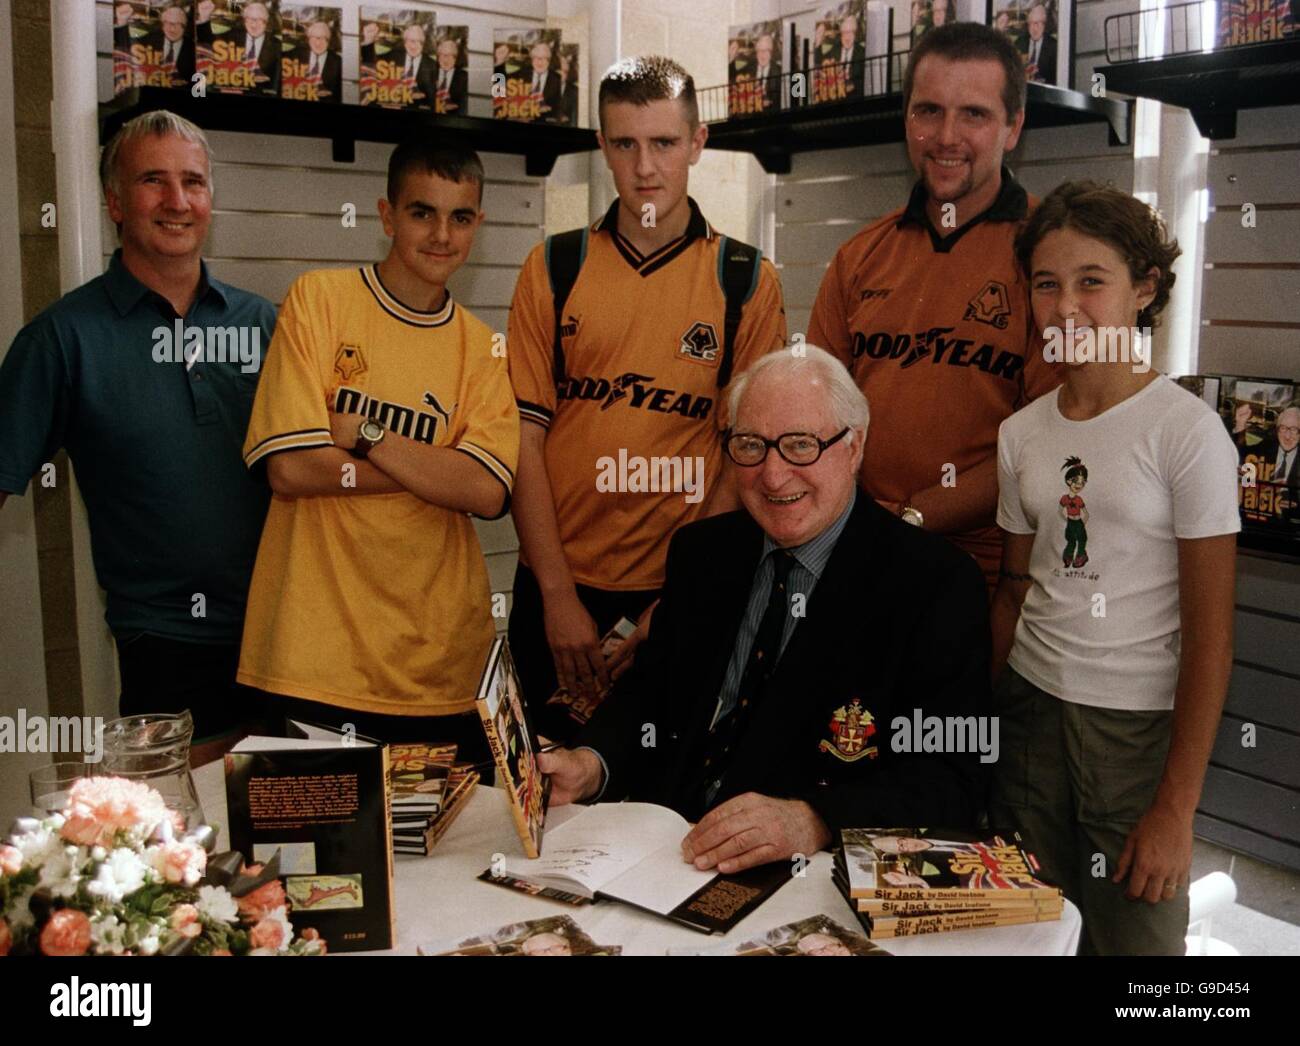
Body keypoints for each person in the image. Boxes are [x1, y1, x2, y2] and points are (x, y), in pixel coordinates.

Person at [539, 347, 989, 873]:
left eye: (801, 445)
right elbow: (651, 699)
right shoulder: (701, 552)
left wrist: (815, 819)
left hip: (803, 875)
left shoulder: (936, 583)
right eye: (751, 446)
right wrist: (589, 765)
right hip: (659, 850)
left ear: (855, 444)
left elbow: (955, 776)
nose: (773, 476)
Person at [990, 181, 1241, 955]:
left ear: (1144, 288)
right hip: (1030, 715)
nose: (1067, 307)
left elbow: (1209, 641)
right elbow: (1013, 588)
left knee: (1133, 945)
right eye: (1046, 283)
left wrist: (1176, 810)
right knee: (1024, 930)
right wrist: (982, 723)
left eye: (1091, 281)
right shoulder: (1021, 434)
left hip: (1134, 739)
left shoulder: (1187, 435)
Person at [506, 55, 787, 742]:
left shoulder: (746, 279)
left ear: (698, 142)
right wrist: (556, 595)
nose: (644, 167)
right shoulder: (554, 267)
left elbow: (743, 460)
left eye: (663, 142)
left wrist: (682, 595)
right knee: (548, 798)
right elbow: (524, 442)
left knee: (670, 801)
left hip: (679, 588)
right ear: (602, 145)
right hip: (559, 587)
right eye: (624, 144)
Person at [0, 111, 277, 760]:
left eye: (194, 182)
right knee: (187, 848)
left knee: (298, 845)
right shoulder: (62, 339)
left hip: (288, 635)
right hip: (166, 648)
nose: (178, 201)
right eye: (154, 180)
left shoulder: (267, 324)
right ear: (114, 202)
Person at [236, 139, 518, 765]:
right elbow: (290, 468)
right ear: (387, 215)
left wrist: (367, 436)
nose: (442, 234)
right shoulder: (318, 301)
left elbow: (488, 491)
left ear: (478, 225)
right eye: (423, 213)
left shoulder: (484, 347)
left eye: (461, 217)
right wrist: (435, 468)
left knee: (450, 861)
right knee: (314, 862)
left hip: (441, 669)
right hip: (314, 662)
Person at [806, 23, 1060, 591]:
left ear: (1013, 126)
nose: (947, 136)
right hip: (856, 555)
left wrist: (914, 518)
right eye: (928, 111)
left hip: (989, 577)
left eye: (974, 114)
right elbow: (814, 416)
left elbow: (1050, 440)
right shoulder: (858, 257)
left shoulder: (1051, 257)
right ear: (907, 121)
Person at [196, 0, 281, 94]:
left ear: (267, 21)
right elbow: (208, 45)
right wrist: (204, 19)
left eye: (260, 20)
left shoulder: (277, 47)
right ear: (244, 20)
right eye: (249, 19)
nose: (254, 24)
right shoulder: (232, 37)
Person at [399, 23, 438, 109]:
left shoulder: (433, 66)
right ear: (405, 42)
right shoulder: (393, 57)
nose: (414, 46)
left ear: (423, 44)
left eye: (419, 42)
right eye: (411, 41)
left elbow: (434, 100)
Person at [521, 41, 563, 121]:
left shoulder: (558, 80)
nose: (540, 62)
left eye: (544, 58)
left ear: (549, 61)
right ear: (532, 59)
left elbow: (560, 111)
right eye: (536, 57)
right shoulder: (521, 75)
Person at [303, 18, 342, 102]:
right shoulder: (294, 55)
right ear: (308, 39)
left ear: (329, 41)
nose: (318, 43)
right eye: (315, 38)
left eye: (324, 39)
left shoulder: (339, 63)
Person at [1023, 3, 1057, 84]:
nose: (1035, 28)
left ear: (1044, 25)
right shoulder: (1019, 43)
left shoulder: (1054, 47)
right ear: (1028, 25)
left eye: (1038, 23)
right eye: (1032, 23)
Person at [433, 36, 469, 115]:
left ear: (455, 58)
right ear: (438, 57)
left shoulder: (465, 78)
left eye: (450, 55)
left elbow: (464, 108)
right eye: (443, 55)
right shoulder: (430, 72)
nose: (446, 60)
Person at [752, 33, 781, 112]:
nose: (762, 54)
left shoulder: (780, 72)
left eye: (766, 50)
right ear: (756, 52)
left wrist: (770, 102)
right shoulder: (747, 70)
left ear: (771, 53)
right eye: (760, 50)